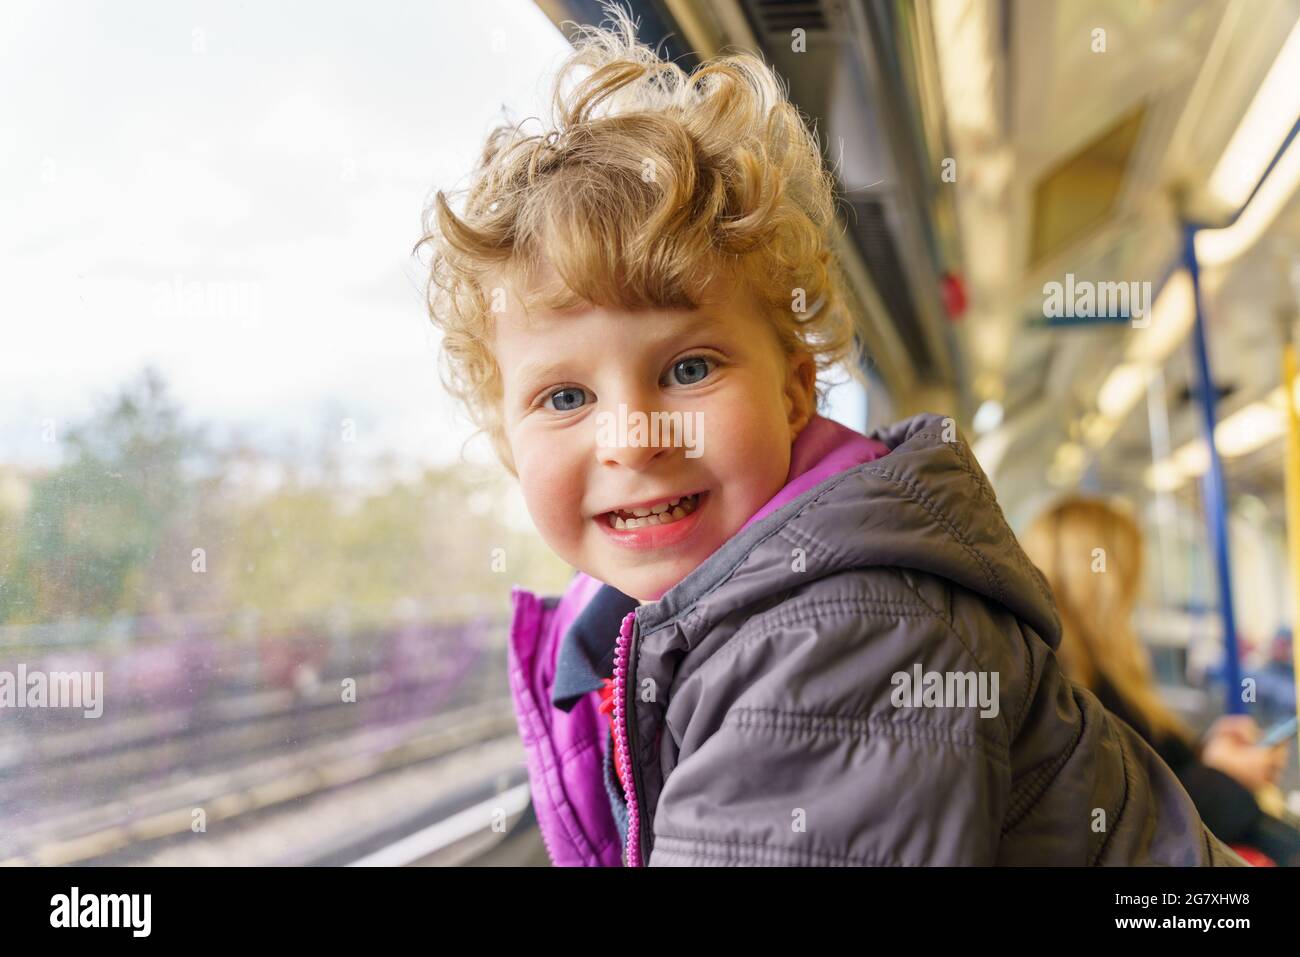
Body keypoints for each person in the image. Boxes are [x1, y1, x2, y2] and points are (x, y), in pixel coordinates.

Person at [415, 3, 1242, 865]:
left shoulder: (843, 635)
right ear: (510, 441)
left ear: (797, 390)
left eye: (689, 369)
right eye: (563, 397)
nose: (633, 437)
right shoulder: (702, 618)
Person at [1023, 496, 1300, 865]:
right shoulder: (1068, 696)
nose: (1137, 591)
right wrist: (1220, 774)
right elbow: (1131, 820)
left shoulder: (1102, 674)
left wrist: (1207, 749)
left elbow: (1152, 762)